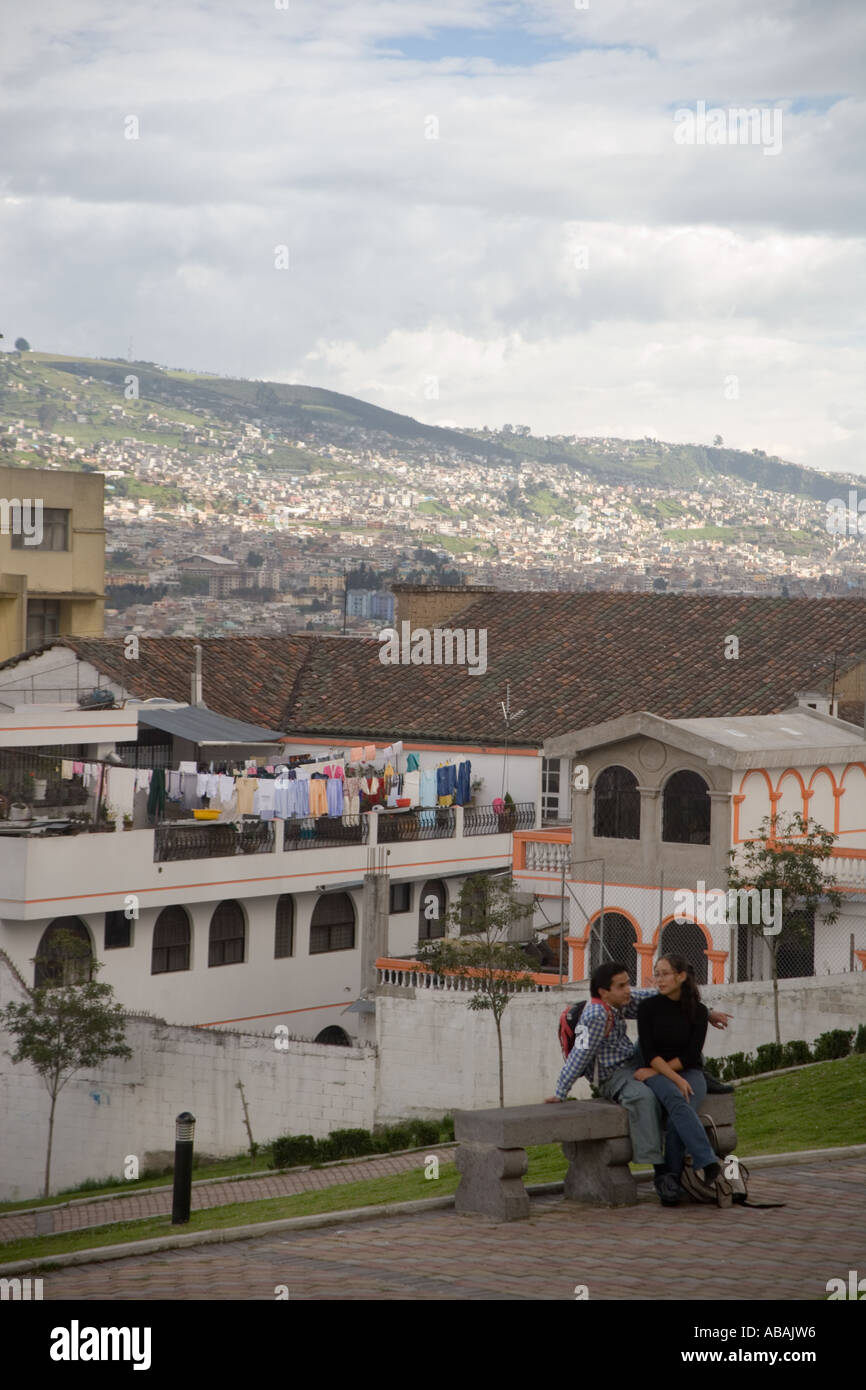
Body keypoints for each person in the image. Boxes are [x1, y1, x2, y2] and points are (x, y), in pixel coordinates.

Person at [545, 961, 730, 1202]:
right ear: (604, 992)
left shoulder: (621, 1000)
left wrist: (707, 1012)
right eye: (621, 986)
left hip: (634, 1059)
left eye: (627, 984)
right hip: (615, 1074)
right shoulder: (595, 1015)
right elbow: (578, 1057)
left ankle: (697, 1073)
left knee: (671, 1042)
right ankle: (660, 1171)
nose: (628, 990)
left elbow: (664, 995)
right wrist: (560, 1091)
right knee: (643, 1097)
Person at [636, 954, 722, 1206]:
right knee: (677, 1096)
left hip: (688, 1072)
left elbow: (691, 1055)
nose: (659, 979)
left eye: (664, 973)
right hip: (658, 1069)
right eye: (657, 973)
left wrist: (676, 1076)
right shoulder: (648, 1008)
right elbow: (650, 1053)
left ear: (681, 976)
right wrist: (672, 1077)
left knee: (678, 1116)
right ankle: (706, 1160)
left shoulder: (699, 1011)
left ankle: (669, 1180)